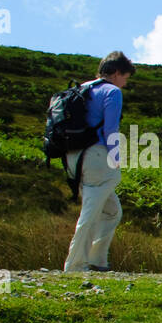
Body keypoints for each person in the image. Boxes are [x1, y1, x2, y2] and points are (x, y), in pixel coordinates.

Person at [62, 51, 135, 273]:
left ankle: (97, 260)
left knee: (112, 211)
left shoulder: (83, 88)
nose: (125, 83)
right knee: (91, 213)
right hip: (97, 156)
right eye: (125, 77)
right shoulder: (112, 92)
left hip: (73, 156)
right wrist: (115, 157)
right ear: (116, 73)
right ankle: (75, 265)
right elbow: (111, 128)